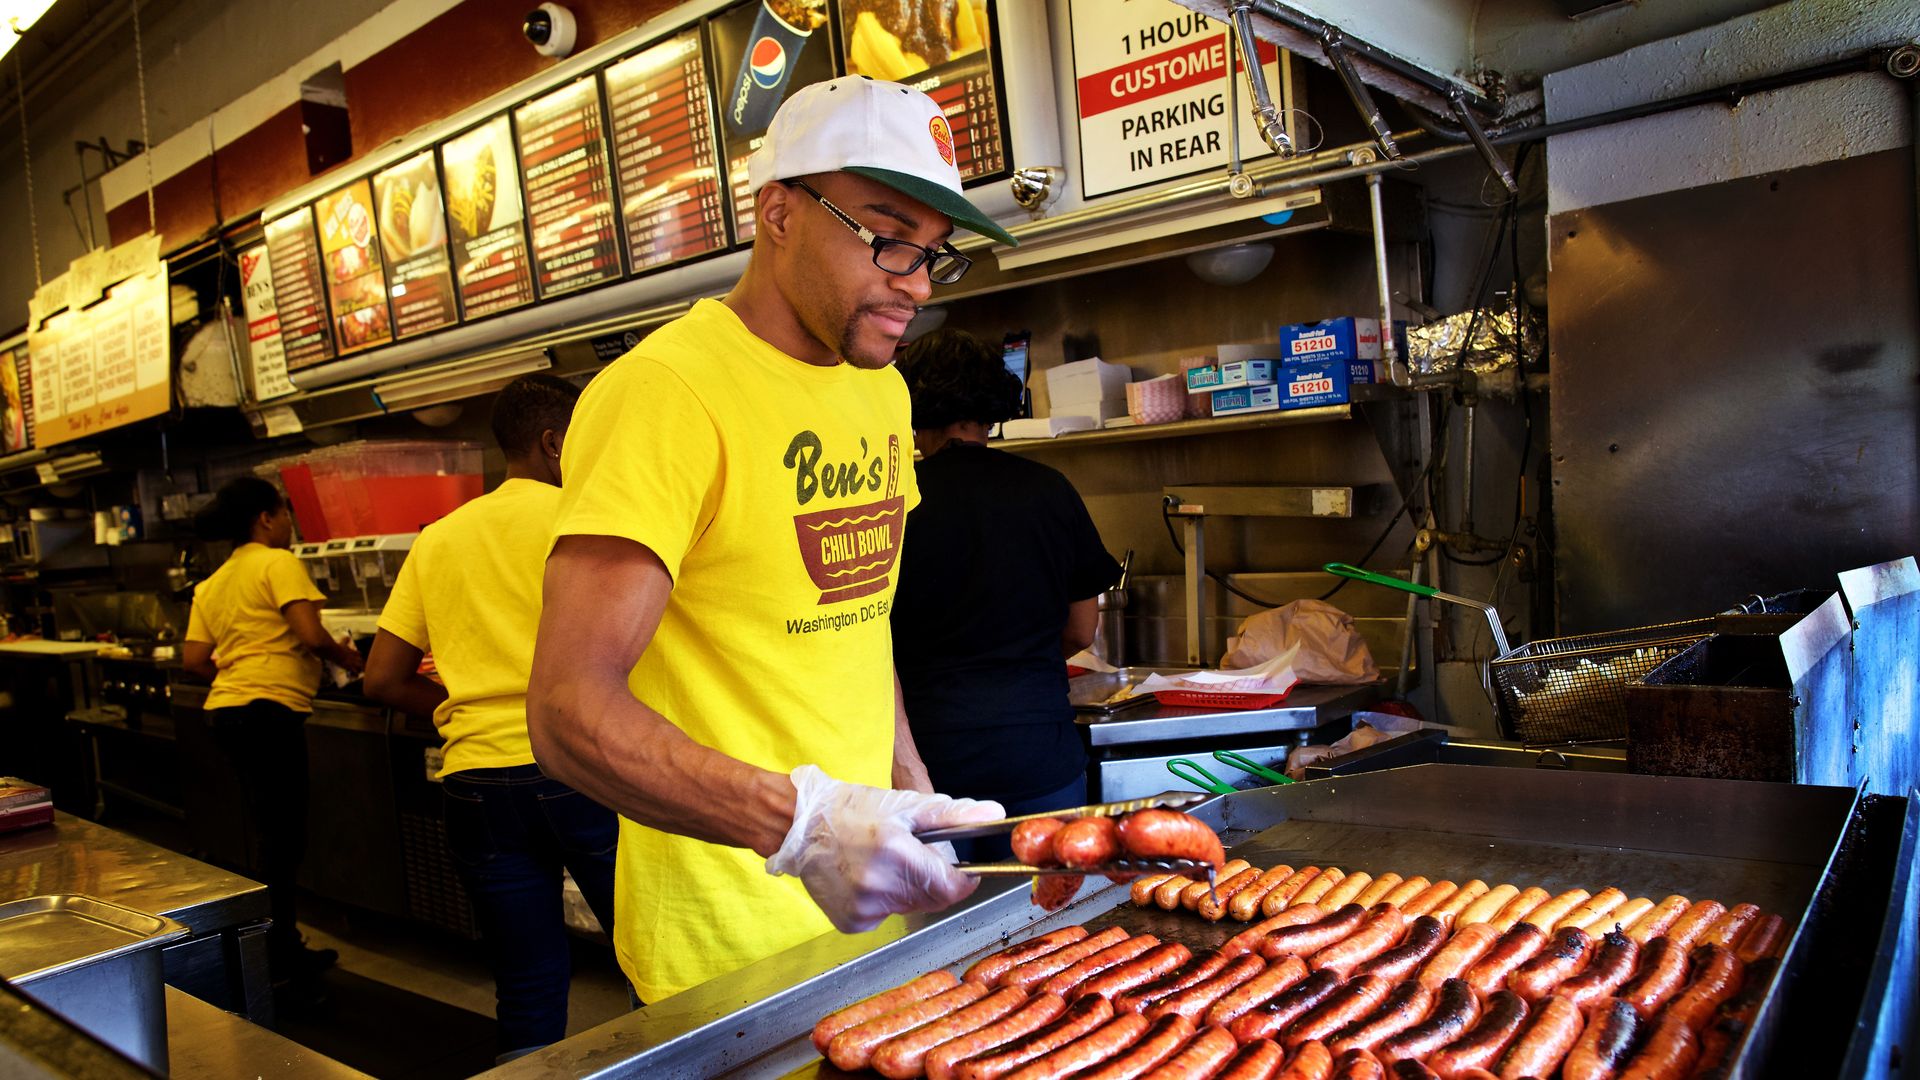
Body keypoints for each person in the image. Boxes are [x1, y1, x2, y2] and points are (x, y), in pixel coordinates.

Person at [527, 76, 1017, 1005]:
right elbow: (564, 711)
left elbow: (855, 627)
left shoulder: (884, 391)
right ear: (779, 212)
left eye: (934, 256)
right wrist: (810, 829)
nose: (912, 283)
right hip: (728, 935)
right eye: (886, 237)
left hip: (873, 914)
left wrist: (912, 805)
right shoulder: (666, 393)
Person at [364, 374, 618, 1061]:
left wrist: (460, 711)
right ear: (555, 442)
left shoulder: (438, 539)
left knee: (528, 982)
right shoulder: (586, 520)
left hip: (474, 783)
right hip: (580, 769)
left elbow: (381, 678)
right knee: (651, 959)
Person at [891, 330, 1122, 860]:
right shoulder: (1049, 488)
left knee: (941, 937)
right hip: (1039, 757)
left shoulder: (895, 500)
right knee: (1051, 925)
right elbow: (1082, 631)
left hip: (928, 763)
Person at [182, 476, 365, 995]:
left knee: (267, 834)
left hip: (228, 714)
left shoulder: (214, 581)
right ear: (267, 518)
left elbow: (195, 660)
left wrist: (240, 669)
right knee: (283, 839)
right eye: (286, 515)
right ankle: (277, 952)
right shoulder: (277, 562)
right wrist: (347, 658)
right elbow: (310, 635)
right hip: (271, 712)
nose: (289, 525)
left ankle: (271, 944)